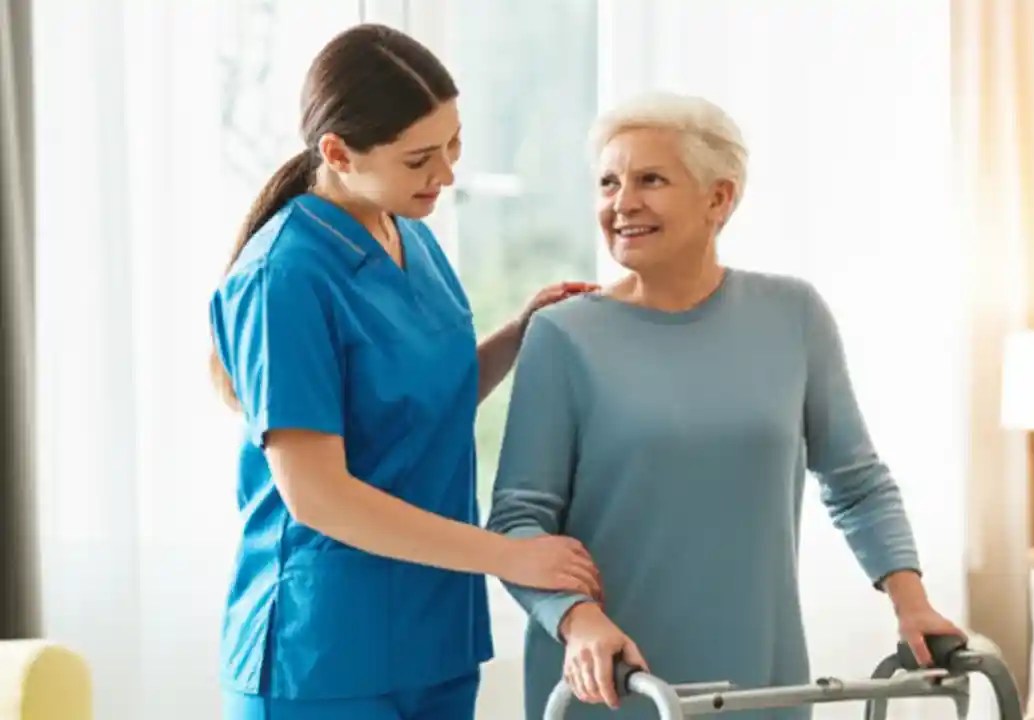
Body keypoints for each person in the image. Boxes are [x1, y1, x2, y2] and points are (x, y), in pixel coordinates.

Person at [485, 91, 966, 719]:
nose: (621, 202)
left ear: (719, 198)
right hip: (613, 681)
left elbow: (856, 481)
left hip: (760, 681)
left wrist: (911, 600)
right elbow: (519, 520)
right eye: (608, 182)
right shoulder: (563, 334)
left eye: (650, 179)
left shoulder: (793, 315)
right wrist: (575, 620)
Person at [207, 24, 602, 720]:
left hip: (434, 635)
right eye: (420, 157)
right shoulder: (284, 277)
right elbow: (318, 497)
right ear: (337, 153)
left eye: (453, 144)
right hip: (322, 654)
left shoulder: (409, 233)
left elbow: (420, 403)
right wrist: (509, 557)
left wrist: (519, 333)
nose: (445, 174)